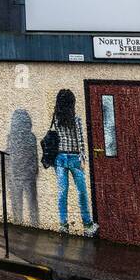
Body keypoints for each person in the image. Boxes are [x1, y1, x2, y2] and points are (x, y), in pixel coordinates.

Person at [49, 89, 98, 236]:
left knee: (62, 192)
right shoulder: (76, 120)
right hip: (74, 158)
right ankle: (88, 224)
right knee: (82, 191)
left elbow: (54, 140)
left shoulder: (56, 119)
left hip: (59, 159)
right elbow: (80, 141)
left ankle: (63, 224)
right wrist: (83, 158)